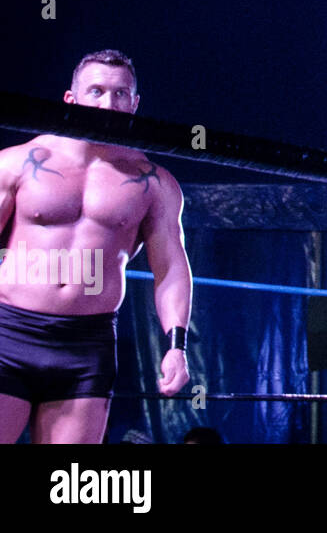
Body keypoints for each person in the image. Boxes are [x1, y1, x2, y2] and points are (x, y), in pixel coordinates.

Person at [0, 49, 192, 443]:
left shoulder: (154, 183)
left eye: (121, 94)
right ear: (71, 99)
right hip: (9, 333)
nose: (109, 103)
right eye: (97, 91)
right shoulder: (18, 163)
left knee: (68, 485)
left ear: (135, 104)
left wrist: (176, 345)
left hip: (87, 346)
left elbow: (170, 267)